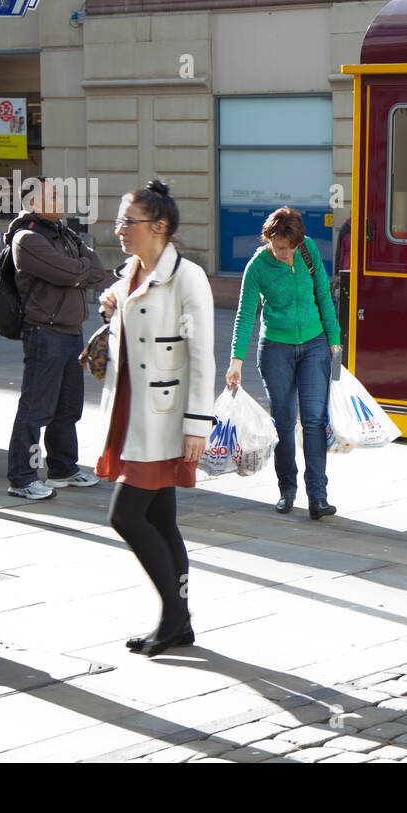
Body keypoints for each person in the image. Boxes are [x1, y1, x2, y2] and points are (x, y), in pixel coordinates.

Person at [95, 181, 215, 656]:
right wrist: (111, 305)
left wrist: (196, 426)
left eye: (128, 221)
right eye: (120, 221)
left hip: (164, 418)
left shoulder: (188, 278)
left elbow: (203, 356)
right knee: (161, 519)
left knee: (125, 515)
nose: (119, 229)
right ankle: (178, 624)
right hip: (131, 409)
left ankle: (174, 617)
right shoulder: (130, 271)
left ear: (159, 227)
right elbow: (119, 301)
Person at [226, 208, 343, 519]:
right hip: (276, 348)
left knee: (315, 422)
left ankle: (318, 496)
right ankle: (287, 490)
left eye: (288, 248)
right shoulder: (257, 267)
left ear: (298, 242)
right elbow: (244, 316)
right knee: (284, 422)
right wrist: (236, 361)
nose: (283, 254)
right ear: (268, 239)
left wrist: (334, 340)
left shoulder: (308, 251)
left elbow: (323, 295)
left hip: (315, 345)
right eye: (277, 247)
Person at [5, 178, 107, 499]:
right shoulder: (27, 239)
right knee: (36, 408)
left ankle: (63, 468)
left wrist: (76, 271)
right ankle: (22, 477)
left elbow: (97, 270)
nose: (60, 200)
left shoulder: (66, 235)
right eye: (52, 196)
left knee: (67, 407)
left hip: (71, 332)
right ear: (34, 204)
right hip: (44, 333)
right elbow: (72, 273)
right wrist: (78, 272)